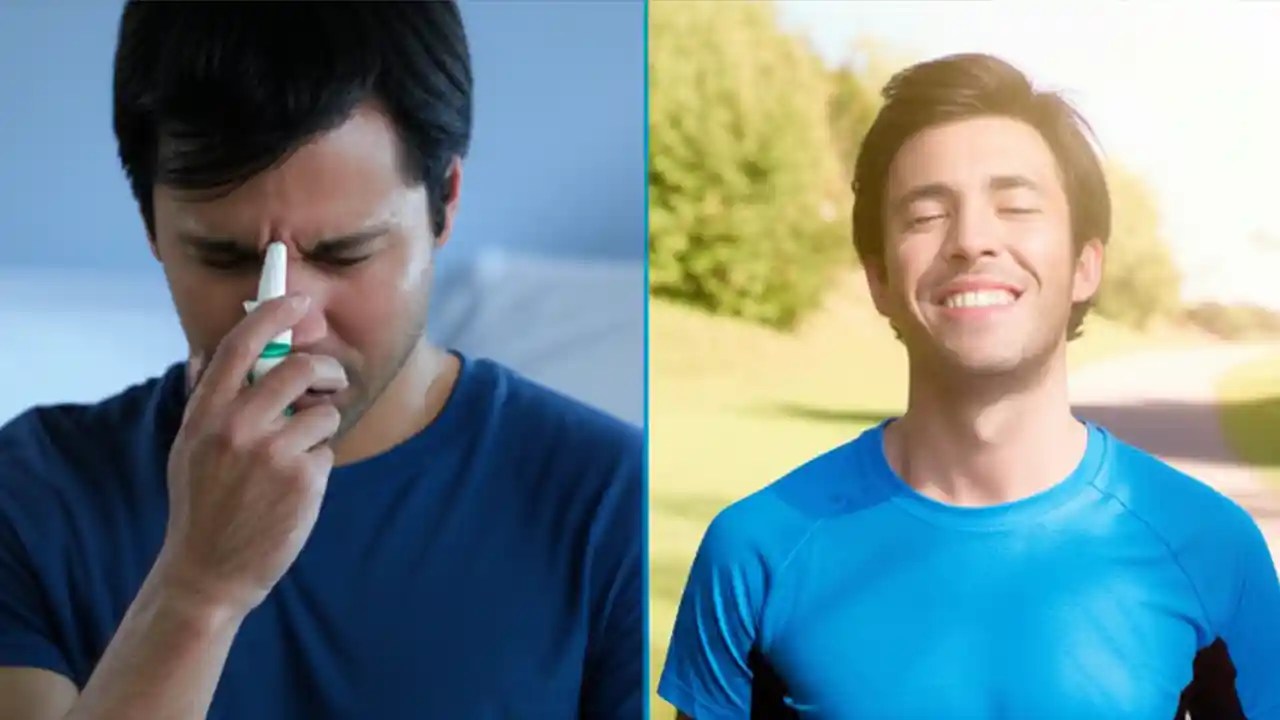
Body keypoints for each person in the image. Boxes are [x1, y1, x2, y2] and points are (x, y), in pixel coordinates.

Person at [0, 3, 642, 719]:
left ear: (445, 203)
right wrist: (196, 593)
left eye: (344, 254)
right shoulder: (32, 495)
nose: (287, 328)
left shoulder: (611, 506)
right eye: (225, 256)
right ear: (151, 223)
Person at [658, 53, 1280, 719]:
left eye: (1015, 206)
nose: (973, 240)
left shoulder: (1212, 547)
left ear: (1084, 266)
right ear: (879, 280)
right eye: (926, 216)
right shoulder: (755, 553)